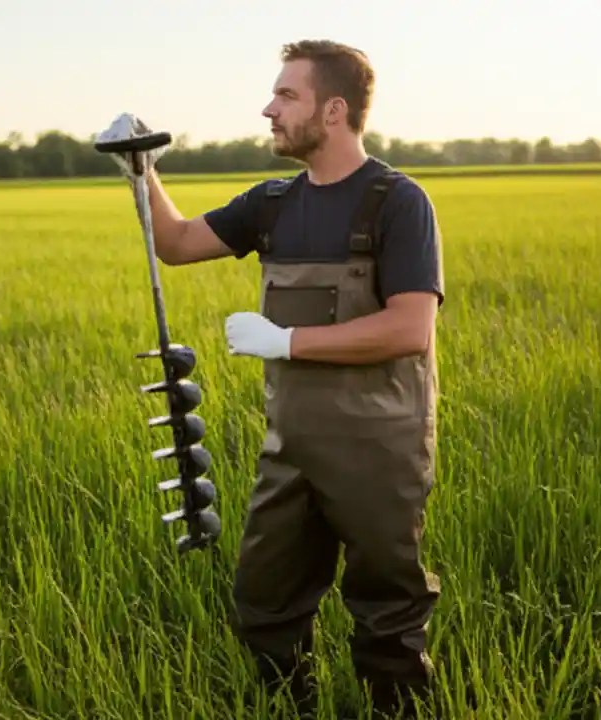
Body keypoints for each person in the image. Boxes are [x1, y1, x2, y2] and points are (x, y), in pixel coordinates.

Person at [117, 39, 444, 718]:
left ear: (332, 110)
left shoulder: (396, 203)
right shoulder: (270, 205)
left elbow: (409, 328)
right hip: (290, 451)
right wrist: (140, 170)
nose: (268, 108)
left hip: (379, 449)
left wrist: (287, 341)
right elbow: (175, 245)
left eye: (285, 96)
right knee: (263, 607)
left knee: (387, 615)